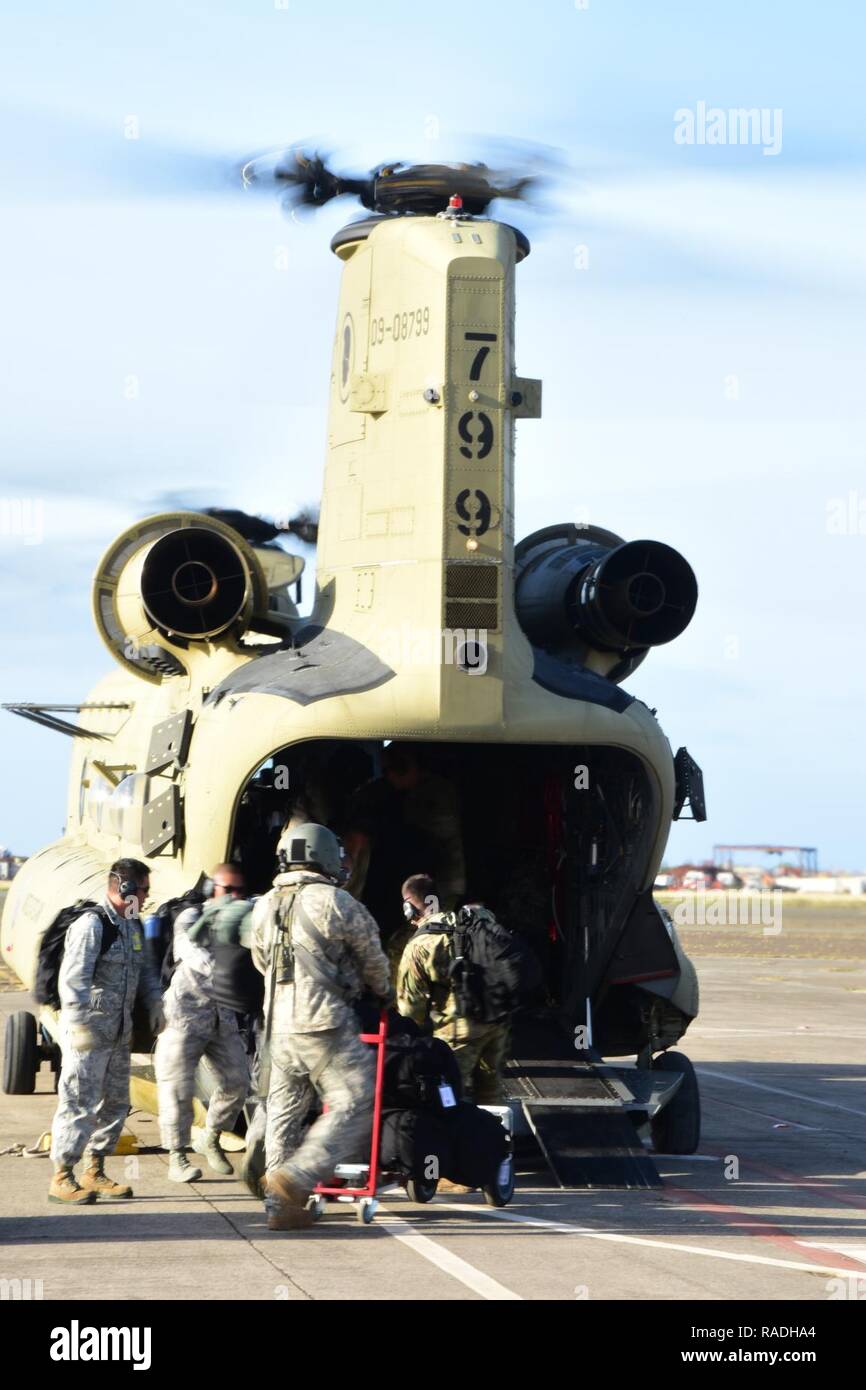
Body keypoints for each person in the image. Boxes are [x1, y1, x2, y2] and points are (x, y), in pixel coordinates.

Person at [250, 822, 392, 1230]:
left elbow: (261, 962)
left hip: (278, 1025)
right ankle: (294, 1178)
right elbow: (373, 960)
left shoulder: (262, 905)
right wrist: (382, 992)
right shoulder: (337, 901)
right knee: (356, 1100)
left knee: (283, 1113)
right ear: (325, 856)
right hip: (323, 1022)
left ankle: (280, 1209)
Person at [49, 859, 164, 1204]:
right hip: (89, 1033)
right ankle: (62, 1176)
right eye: (143, 890)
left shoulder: (132, 925)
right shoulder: (92, 925)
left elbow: (143, 972)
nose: (146, 897)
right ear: (126, 889)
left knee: (115, 1103)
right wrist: (78, 1023)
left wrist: (156, 1003)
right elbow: (73, 979)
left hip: (118, 1034)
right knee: (79, 1101)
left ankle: (93, 1170)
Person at [155, 863, 251, 1183]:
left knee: (238, 1079)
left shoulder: (245, 917)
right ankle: (177, 1156)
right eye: (228, 890)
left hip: (222, 1016)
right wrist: (231, 972)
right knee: (177, 1087)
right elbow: (190, 951)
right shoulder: (192, 918)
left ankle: (210, 1136)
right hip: (185, 1013)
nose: (235, 896)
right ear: (212, 890)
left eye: (240, 890)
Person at [396, 874, 509, 1104]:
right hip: (498, 1020)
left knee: (447, 1096)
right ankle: (495, 1137)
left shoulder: (418, 946)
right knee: (490, 1091)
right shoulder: (478, 917)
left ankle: (455, 1137)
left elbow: (410, 1011)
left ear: (409, 907)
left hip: (458, 1032)